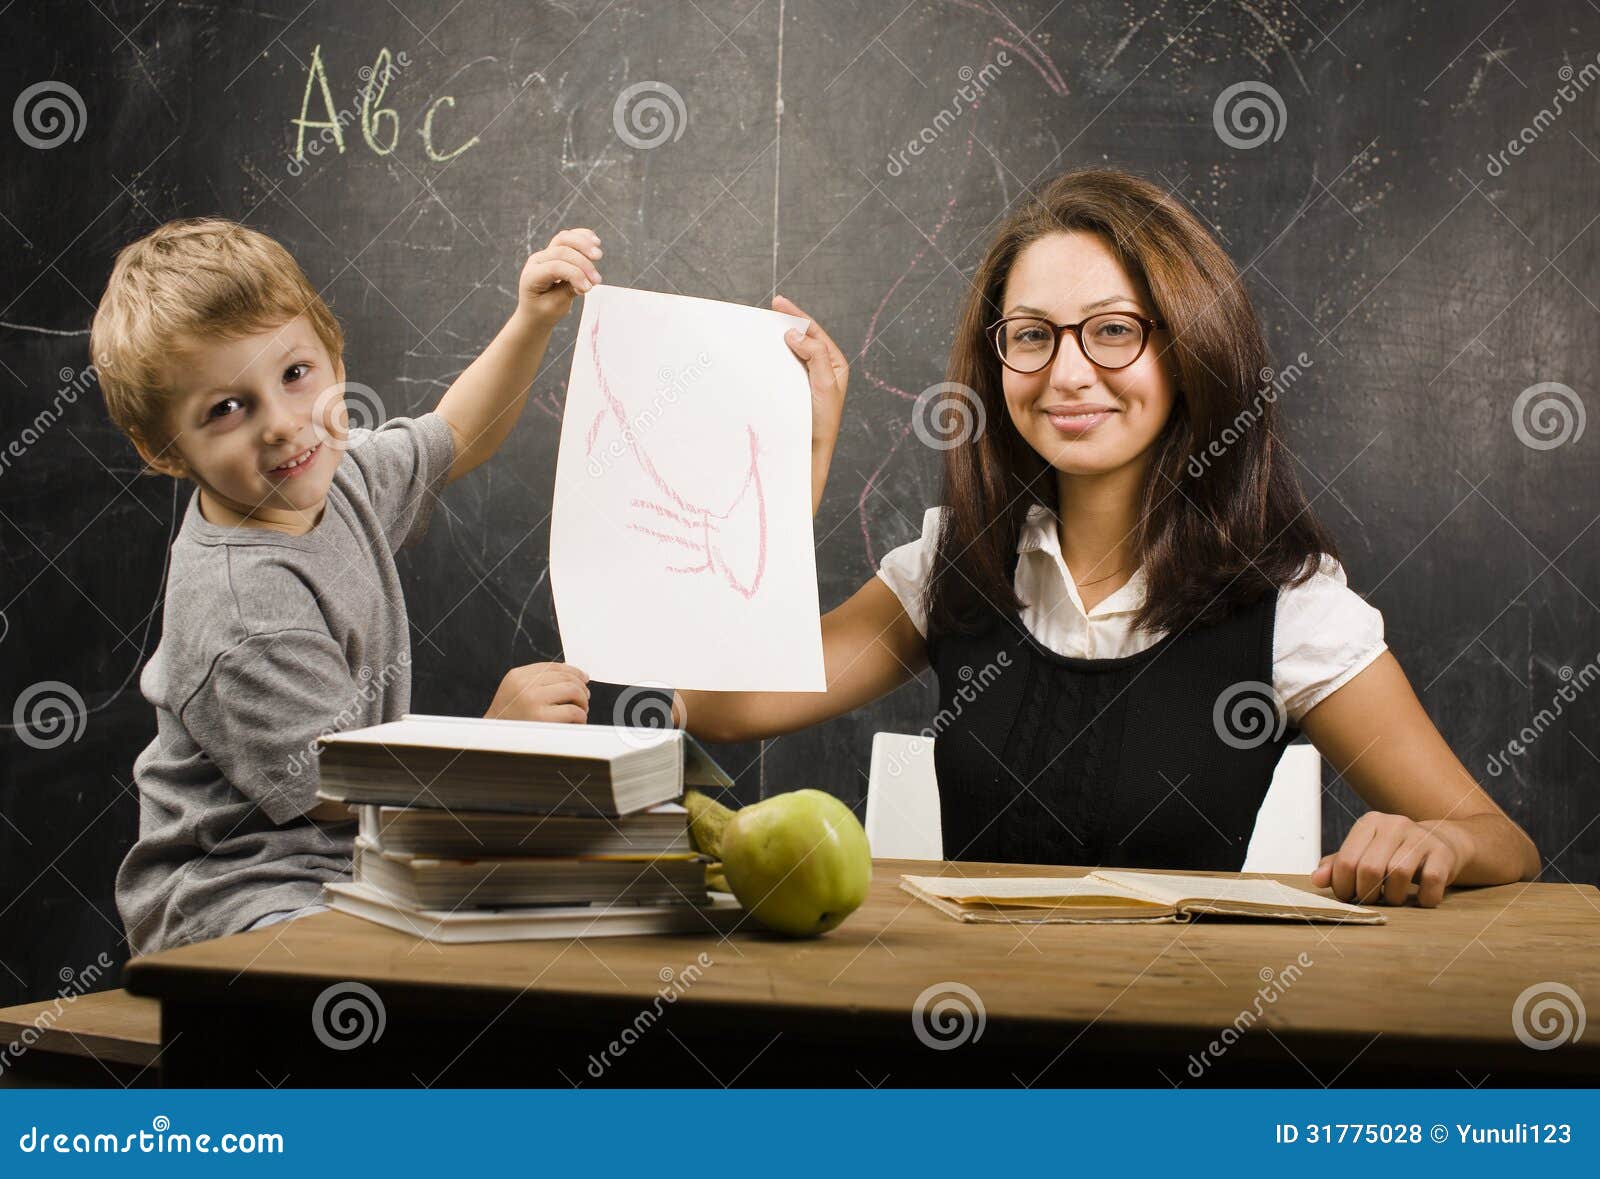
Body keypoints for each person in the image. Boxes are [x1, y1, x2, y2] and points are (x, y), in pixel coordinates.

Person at [673, 167, 1540, 908]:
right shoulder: (953, 566)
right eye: (1031, 335)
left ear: (1190, 347)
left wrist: (1439, 843)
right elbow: (718, 706)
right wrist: (800, 453)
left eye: (1114, 330)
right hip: (966, 1026)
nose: (1067, 372)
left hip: (1181, 1035)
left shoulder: (1288, 607)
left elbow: (1500, 841)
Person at [92, 218, 598, 952]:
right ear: (164, 449)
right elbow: (344, 790)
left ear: (334, 357)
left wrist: (532, 319)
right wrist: (496, 739)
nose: (283, 425)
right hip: (244, 899)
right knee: (395, 965)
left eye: (295, 375)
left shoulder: (339, 475)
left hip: (366, 861)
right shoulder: (244, 609)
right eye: (227, 409)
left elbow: (458, 433)